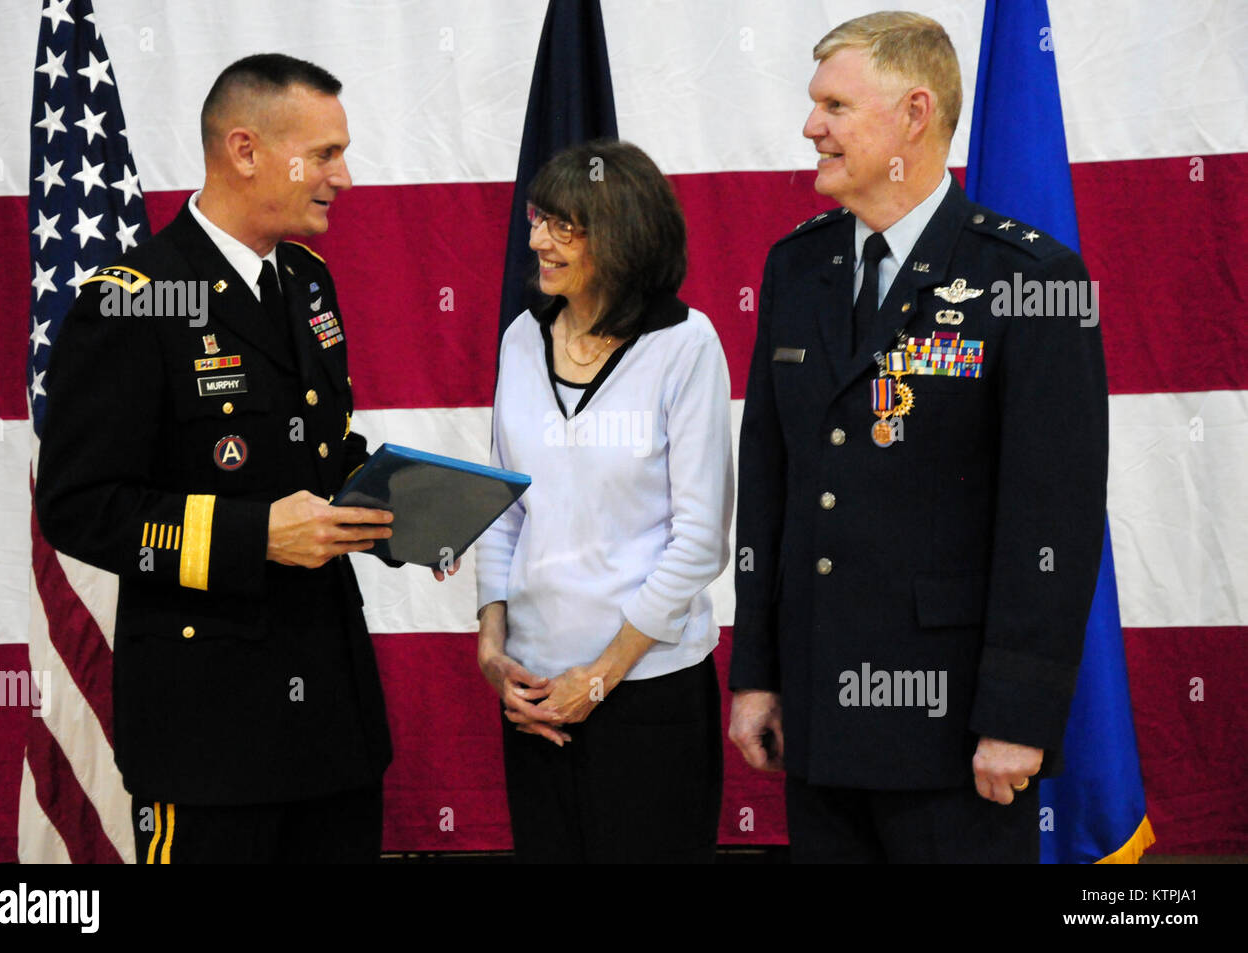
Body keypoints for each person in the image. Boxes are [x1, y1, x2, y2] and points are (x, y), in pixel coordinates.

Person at [35, 54, 439, 863]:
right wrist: (254, 535)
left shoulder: (310, 283)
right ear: (246, 149)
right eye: (324, 154)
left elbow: (323, 453)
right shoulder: (136, 296)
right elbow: (81, 507)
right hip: (208, 729)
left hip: (332, 715)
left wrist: (417, 510)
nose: (345, 178)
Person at [728, 11, 1108, 863]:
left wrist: (1016, 718)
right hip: (820, 719)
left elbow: (1055, 520)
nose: (810, 127)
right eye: (812, 104)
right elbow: (770, 486)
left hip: (954, 737)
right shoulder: (797, 265)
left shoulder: (1031, 280)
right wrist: (756, 670)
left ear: (913, 114)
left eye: (834, 106)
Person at [475, 140, 734, 863]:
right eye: (536, 219)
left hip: (647, 693)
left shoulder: (686, 345)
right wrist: (494, 648)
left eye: (563, 225)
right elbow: (504, 505)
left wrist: (599, 677)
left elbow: (701, 540)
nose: (535, 240)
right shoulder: (522, 338)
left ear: (621, 233)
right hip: (533, 696)